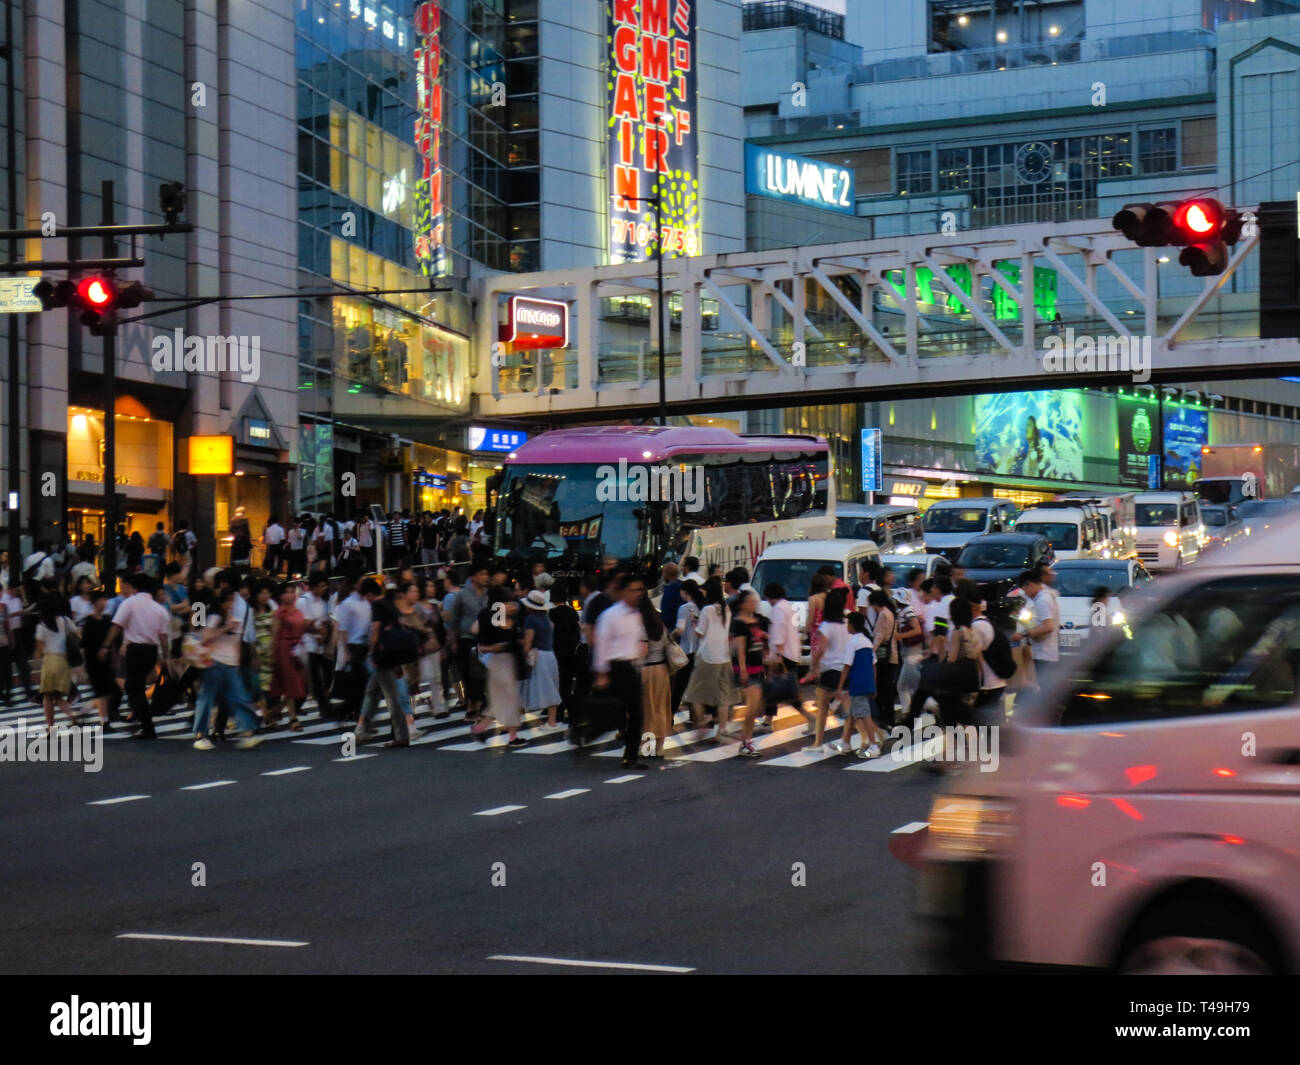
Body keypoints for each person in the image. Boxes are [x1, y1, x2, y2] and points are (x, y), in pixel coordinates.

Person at [98, 572, 170, 739]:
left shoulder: (129, 603)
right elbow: (164, 636)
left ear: (134, 587)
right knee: (135, 686)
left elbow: (116, 625)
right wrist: (165, 656)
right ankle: (144, 721)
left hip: (135, 649)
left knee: (133, 687)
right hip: (151, 651)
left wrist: (105, 645)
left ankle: (147, 726)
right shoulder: (159, 609)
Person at [192, 587, 264, 750]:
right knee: (208, 698)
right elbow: (205, 637)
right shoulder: (216, 617)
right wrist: (225, 628)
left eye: (233, 600)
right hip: (214, 662)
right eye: (228, 600)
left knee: (237, 697)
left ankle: (248, 731)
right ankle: (200, 734)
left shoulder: (233, 618)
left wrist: (237, 661)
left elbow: (237, 643)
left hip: (230, 664)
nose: (231, 604)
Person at [593, 572, 649, 770]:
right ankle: (584, 735)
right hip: (615, 666)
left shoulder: (637, 615)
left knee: (636, 713)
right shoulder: (611, 615)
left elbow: (636, 643)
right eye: (634, 590)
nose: (638, 594)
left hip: (631, 667)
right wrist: (601, 673)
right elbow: (602, 645)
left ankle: (630, 756)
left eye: (640, 590)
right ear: (624, 592)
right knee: (612, 712)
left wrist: (640, 663)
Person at [354, 580, 415, 748]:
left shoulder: (377, 606)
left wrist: (372, 652)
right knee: (371, 691)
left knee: (391, 698)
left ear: (368, 594)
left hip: (383, 657)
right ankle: (362, 729)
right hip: (393, 654)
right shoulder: (390, 604)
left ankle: (401, 736)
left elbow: (375, 630)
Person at [681, 576, 734, 740]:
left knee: (695, 694)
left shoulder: (707, 610)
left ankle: (701, 726)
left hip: (707, 655)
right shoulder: (727, 609)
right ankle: (722, 729)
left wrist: (695, 623)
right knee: (723, 696)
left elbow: (700, 633)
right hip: (724, 655)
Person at [473, 584, 525, 746]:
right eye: (507, 602)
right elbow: (501, 634)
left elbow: (475, 630)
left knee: (500, 698)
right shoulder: (497, 616)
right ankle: (512, 735)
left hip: (503, 660)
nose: (511, 605)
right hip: (501, 660)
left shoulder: (492, 615)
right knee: (509, 697)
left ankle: (481, 727)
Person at [831, 611, 884, 758]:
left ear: (852, 626)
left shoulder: (852, 643)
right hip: (867, 683)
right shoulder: (867, 642)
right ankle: (845, 742)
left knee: (864, 715)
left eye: (848, 624)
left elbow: (847, 666)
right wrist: (874, 685)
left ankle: (874, 745)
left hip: (857, 684)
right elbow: (874, 665)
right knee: (853, 714)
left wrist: (840, 687)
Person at [762, 581, 810, 733]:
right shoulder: (787, 606)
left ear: (769, 597)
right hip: (790, 653)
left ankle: (810, 718)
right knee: (778, 690)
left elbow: (779, 632)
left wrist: (776, 655)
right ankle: (767, 720)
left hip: (782, 654)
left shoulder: (778, 609)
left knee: (783, 691)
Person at [728, 589, 770, 758]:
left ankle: (745, 740)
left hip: (759, 668)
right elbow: (740, 650)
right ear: (743, 604)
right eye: (750, 601)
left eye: (755, 601)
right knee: (752, 709)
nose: (754, 604)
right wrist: (743, 670)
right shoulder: (739, 623)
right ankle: (745, 743)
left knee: (756, 709)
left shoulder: (758, 620)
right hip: (747, 670)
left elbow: (760, 644)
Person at [808, 586, 851, 751]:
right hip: (846, 669)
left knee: (823, 707)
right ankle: (854, 740)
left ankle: (818, 742)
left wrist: (814, 667)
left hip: (830, 670)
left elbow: (820, 650)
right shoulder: (847, 623)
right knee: (850, 709)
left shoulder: (826, 625)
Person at [449, 563, 490, 720]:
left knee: (480, 676)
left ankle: (477, 706)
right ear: (473, 577)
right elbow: (454, 618)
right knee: (470, 675)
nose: (485, 577)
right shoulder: (462, 595)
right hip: (466, 639)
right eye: (482, 574)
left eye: (486, 574)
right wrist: (453, 640)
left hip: (485, 640)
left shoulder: (489, 595)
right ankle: (475, 706)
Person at [34, 592, 79, 731]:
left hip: (49, 661)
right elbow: (78, 635)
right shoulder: (66, 621)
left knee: (47, 697)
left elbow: (39, 649)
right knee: (57, 695)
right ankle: (72, 715)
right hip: (63, 661)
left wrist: (37, 664)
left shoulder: (42, 625)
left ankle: (50, 727)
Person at [521, 589, 563, 730]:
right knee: (552, 687)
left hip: (538, 655)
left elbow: (528, 642)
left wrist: (523, 654)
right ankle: (552, 721)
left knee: (540, 688)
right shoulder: (547, 619)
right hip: (551, 654)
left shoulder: (530, 620)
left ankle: (550, 723)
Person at [267, 584, 306, 731]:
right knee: (291, 683)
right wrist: (272, 653)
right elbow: (274, 633)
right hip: (284, 648)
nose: (291, 595)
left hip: (297, 647)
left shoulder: (298, 611)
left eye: (292, 592)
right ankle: (293, 718)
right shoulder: (279, 613)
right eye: (287, 593)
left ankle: (274, 712)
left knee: (297, 683)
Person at [639, 589, 672, 757]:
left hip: (647, 669)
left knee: (648, 709)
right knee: (661, 708)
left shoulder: (642, 624)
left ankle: (646, 748)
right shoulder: (659, 621)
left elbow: (642, 652)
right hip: (662, 669)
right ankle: (660, 747)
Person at [296, 571, 334, 718]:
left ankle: (297, 704)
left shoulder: (322, 602)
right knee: (315, 678)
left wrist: (324, 634)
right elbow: (303, 624)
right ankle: (324, 707)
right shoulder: (303, 601)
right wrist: (317, 630)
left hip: (319, 645)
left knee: (316, 678)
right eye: (321, 586)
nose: (324, 589)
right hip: (307, 644)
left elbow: (325, 621)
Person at [80, 591, 119, 727]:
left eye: (105, 600)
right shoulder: (88, 622)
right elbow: (84, 645)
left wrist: (114, 656)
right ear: (95, 603)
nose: (104, 603)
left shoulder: (107, 619)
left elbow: (112, 640)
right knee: (101, 691)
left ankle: (87, 709)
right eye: (101, 600)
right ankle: (104, 722)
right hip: (93, 661)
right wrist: (84, 665)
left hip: (106, 660)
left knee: (112, 690)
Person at [865, 589, 900, 728]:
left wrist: (872, 651)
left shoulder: (882, 615)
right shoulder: (890, 613)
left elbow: (879, 635)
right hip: (892, 654)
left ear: (875, 603)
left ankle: (883, 718)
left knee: (881, 687)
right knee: (888, 689)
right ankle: (889, 718)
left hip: (883, 656)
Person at [671, 578, 703, 725]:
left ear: (685, 592)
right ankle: (694, 715)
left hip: (686, 651)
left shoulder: (684, 608)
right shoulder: (700, 606)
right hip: (698, 650)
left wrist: (669, 637)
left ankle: (669, 715)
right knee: (693, 684)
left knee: (679, 686)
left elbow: (680, 629)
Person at [658, 562, 682, 632]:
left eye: (663, 573)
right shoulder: (682, 587)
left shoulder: (669, 590)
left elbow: (666, 612)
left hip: (671, 628)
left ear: (666, 574)